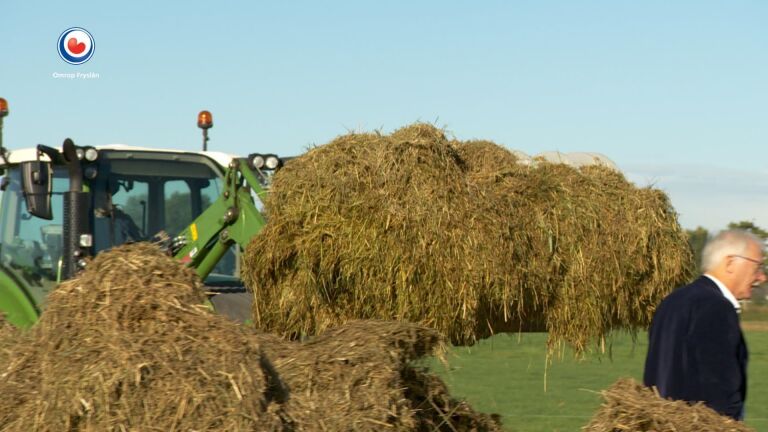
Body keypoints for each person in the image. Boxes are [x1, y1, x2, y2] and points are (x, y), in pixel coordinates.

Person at [643, 229, 767, 420]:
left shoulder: (672, 301)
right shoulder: (717, 307)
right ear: (730, 263)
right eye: (757, 267)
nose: (762, 277)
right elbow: (720, 390)